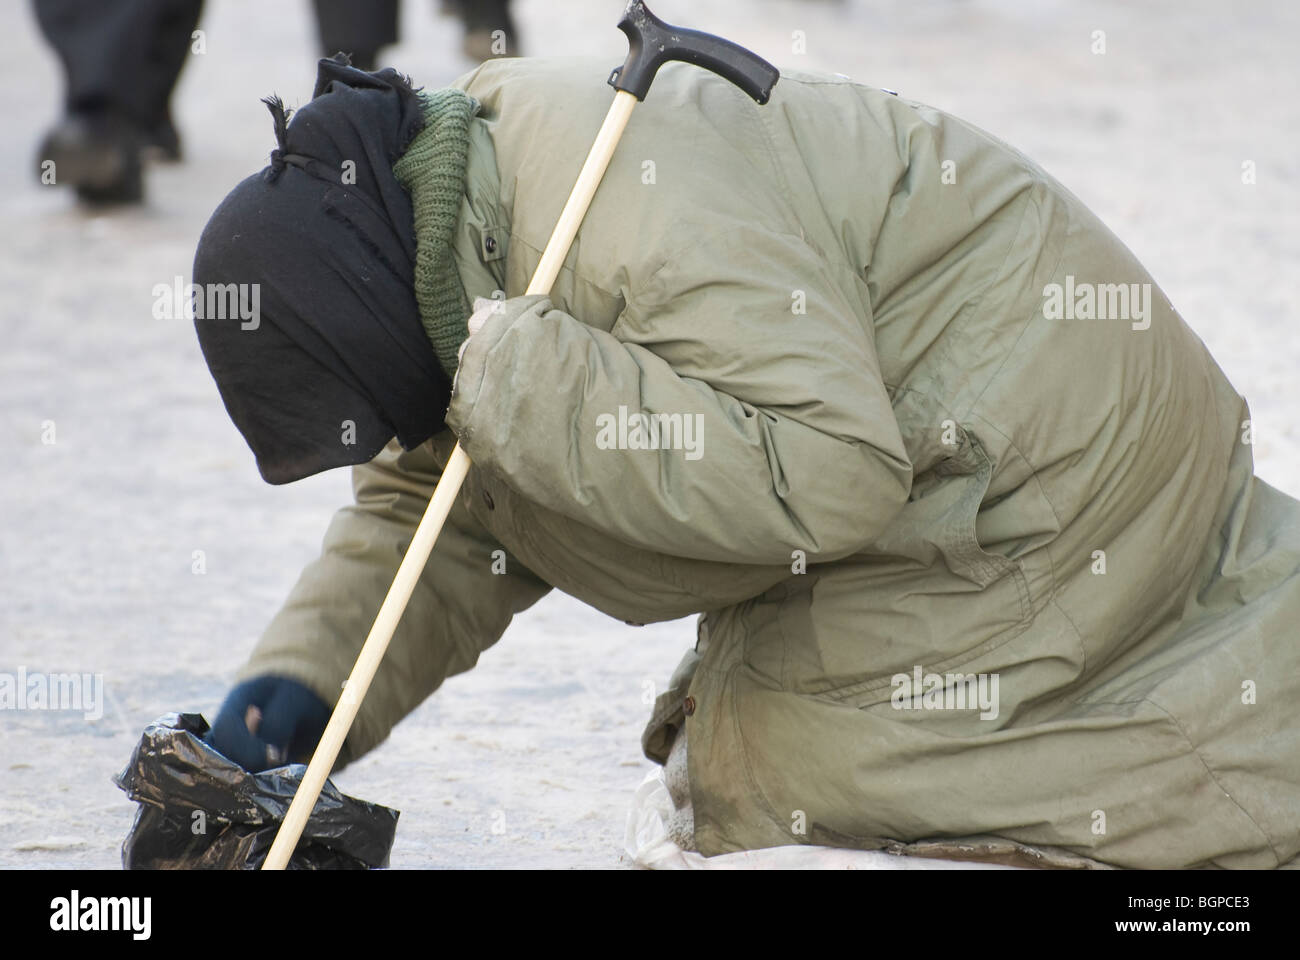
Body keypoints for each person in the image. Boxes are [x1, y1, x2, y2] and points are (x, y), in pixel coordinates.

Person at [192, 55, 1300, 869]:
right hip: (936, 455)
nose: (388, 442)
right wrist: (287, 705)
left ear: (370, 317)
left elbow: (830, 472)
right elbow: (432, 519)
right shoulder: (436, 260)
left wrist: (537, 386)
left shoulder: (614, 213)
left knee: (790, 767)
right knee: (764, 746)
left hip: (1042, 461)